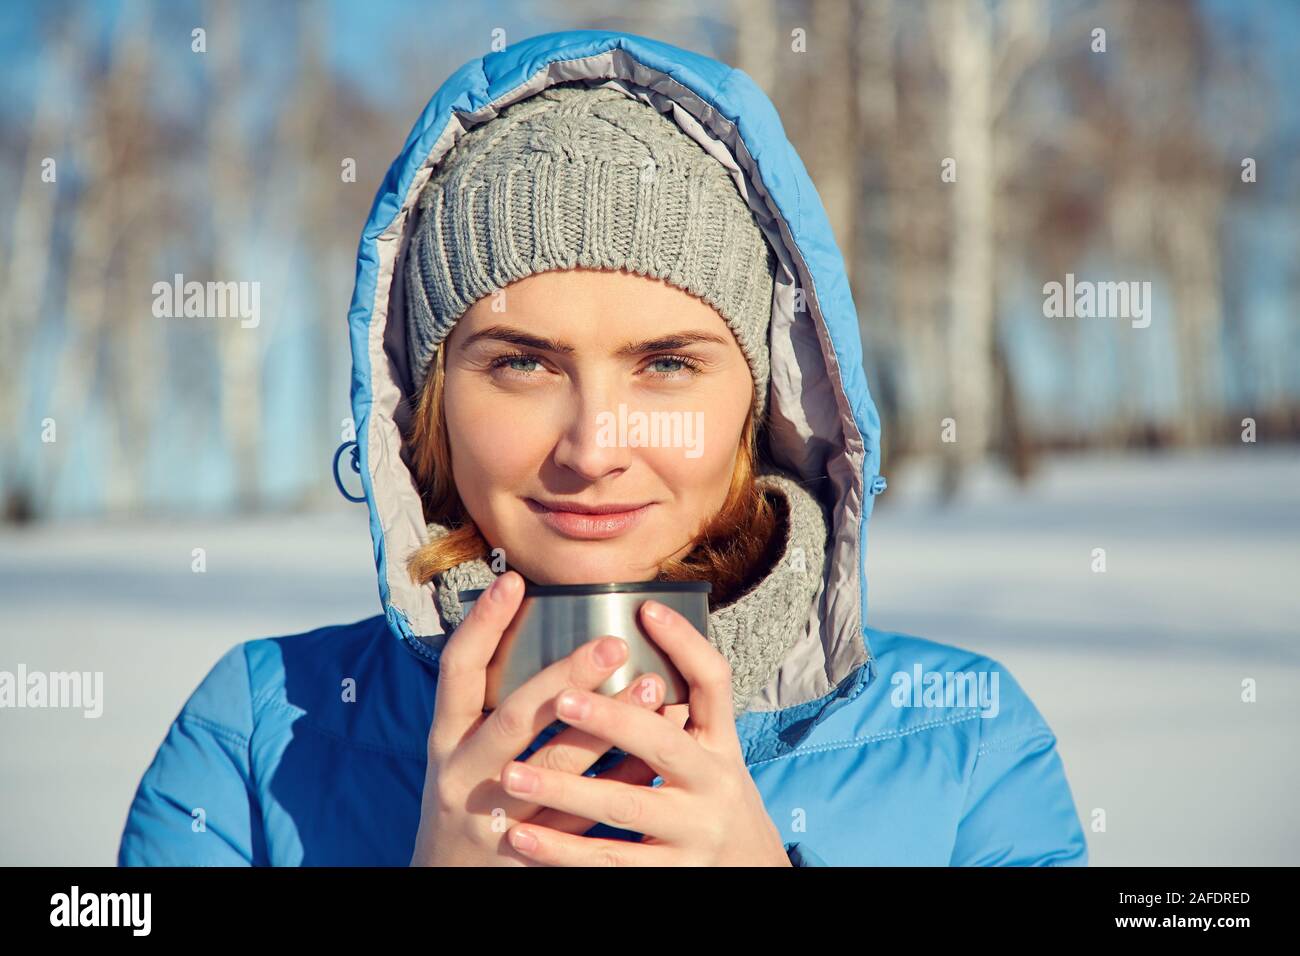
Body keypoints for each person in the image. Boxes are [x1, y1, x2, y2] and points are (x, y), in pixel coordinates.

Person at [118, 29, 1088, 866]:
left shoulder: (968, 743)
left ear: (762, 403)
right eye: (522, 364)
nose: (593, 447)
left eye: (666, 363)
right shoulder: (253, 740)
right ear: (427, 402)